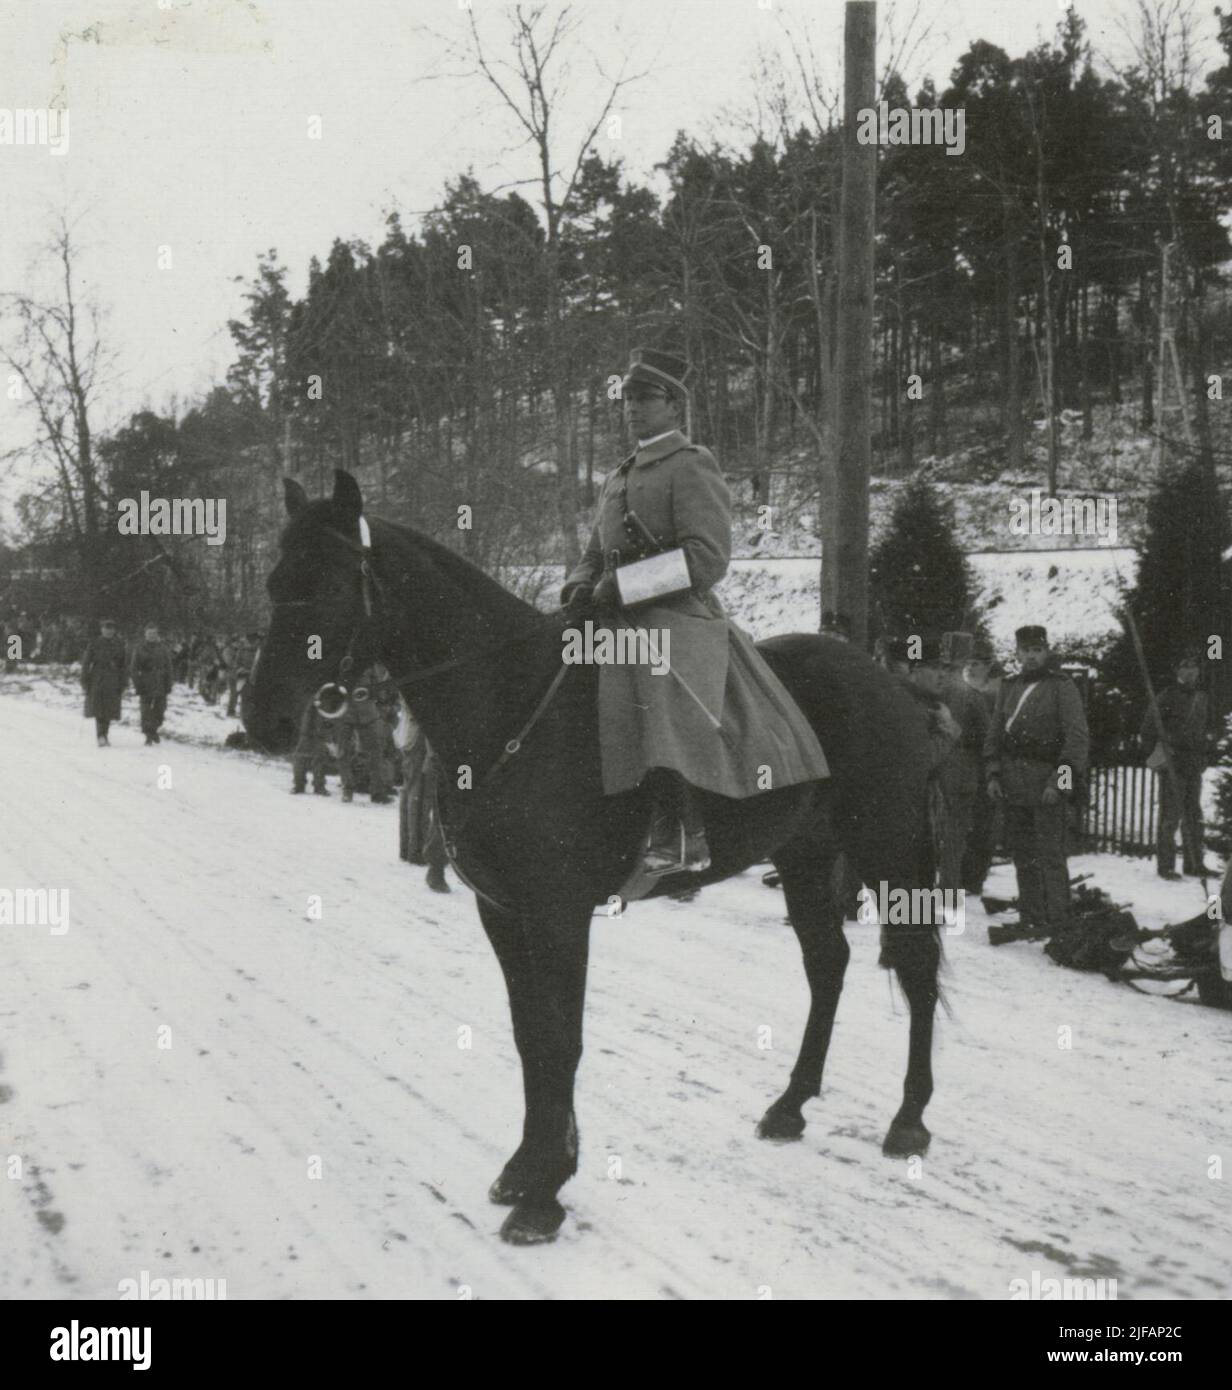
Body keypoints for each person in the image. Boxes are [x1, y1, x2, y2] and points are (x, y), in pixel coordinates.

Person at [559, 347, 829, 876]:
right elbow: (594, 551)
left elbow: (708, 558)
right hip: (614, 614)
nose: (632, 407)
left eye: (646, 398)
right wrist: (578, 584)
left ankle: (684, 830)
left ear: (675, 407)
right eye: (628, 398)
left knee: (656, 679)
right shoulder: (618, 476)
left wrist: (627, 585)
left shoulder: (690, 465)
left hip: (678, 615)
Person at [984, 625, 1090, 939]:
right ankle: (1031, 916)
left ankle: (1059, 923)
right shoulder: (1009, 686)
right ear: (1016, 653)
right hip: (1013, 783)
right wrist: (992, 773)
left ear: (1046, 652)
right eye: (1025, 651)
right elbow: (994, 735)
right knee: (1023, 856)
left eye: (1037, 651)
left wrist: (1060, 783)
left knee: (1051, 857)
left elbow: (1077, 739)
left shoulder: (1062, 687)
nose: (1031, 657)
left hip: (1046, 785)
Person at [1140, 652, 1211, 880]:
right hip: (1173, 763)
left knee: (1194, 815)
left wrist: (1204, 754)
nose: (1190, 671)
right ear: (1177, 671)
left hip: (1193, 763)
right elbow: (1148, 729)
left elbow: (1205, 730)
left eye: (1194, 666)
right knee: (1170, 817)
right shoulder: (1166, 696)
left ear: (1199, 671)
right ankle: (1166, 866)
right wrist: (1160, 753)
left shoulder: (1202, 697)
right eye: (1185, 666)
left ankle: (1194, 863)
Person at [961, 638, 1002, 894]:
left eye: (976, 663)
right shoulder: (965, 690)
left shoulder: (997, 693)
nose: (971, 668)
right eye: (968, 663)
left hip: (985, 767)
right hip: (966, 766)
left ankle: (974, 878)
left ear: (989, 666)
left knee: (984, 824)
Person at [336, 666, 393, 804]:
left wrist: (379, 698)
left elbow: (378, 689)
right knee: (343, 752)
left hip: (367, 713)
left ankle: (377, 792)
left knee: (376, 752)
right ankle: (347, 789)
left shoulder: (369, 664)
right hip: (344, 712)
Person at [82, 618, 128, 746]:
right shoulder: (94, 643)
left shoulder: (119, 644)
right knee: (98, 709)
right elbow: (86, 663)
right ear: (102, 630)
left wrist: (124, 682)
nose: (109, 632)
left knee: (109, 709)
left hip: (113, 679)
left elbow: (124, 665)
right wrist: (85, 681)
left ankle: (104, 735)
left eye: (111, 629)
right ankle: (101, 735)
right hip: (97, 679)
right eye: (106, 629)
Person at [130, 623, 174, 744]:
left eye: (154, 633)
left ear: (157, 634)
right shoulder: (139, 648)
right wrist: (137, 683)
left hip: (160, 681)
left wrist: (169, 683)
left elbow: (169, 667)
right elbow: (133, 668)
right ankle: (149, 735)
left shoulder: (163, 648)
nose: (152, 636)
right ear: (145, 635)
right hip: (145, 681)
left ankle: (153, 730)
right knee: (146, 711)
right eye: (149, 634)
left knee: (160, 710)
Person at [291, 700, 330, 795]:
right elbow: (306, 716)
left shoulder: (324, 700)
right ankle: (299, 785)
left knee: (319, 760)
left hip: (317, 735)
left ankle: (318, 786)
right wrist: (313, 704)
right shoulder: (313, 702)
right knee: (301, 759)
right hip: (307, 734)